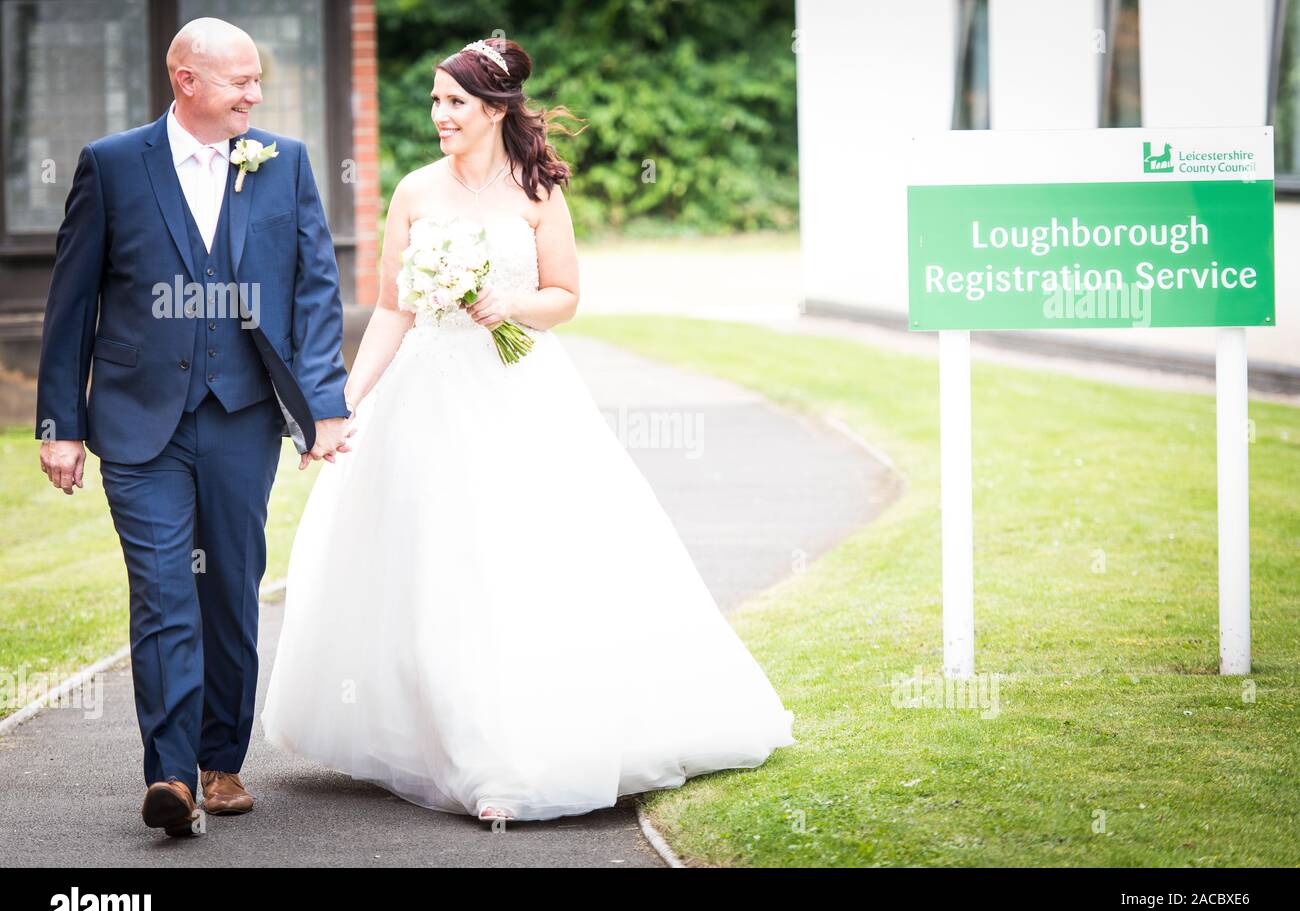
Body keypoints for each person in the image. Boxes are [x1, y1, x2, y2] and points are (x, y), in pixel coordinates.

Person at [260, 37, 795, 823]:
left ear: (495, 110)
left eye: (455, 104)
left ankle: (515, 753)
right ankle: (439, 738)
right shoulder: (412, 191)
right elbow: (393, 310)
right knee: (430, 565)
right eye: (437, 101)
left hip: (518, 394)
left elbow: (566, 295)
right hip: (425, 398)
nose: (439, 115)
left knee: (518, 560)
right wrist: (343, 403)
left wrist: (510, 308)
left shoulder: (537, 190)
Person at [34, 18, 352, 837]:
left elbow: (315, 288)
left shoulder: (282, 163)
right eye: (240, 80)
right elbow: (72, 304)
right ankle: (171, 773)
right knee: (164, 591)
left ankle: (221, 760)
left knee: (230, 587)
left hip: (243, 415)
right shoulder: (112, 165)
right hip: (139, 423)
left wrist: (323, 402)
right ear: (186, 81)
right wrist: (60, 422)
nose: (256, 92)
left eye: (257, 80)